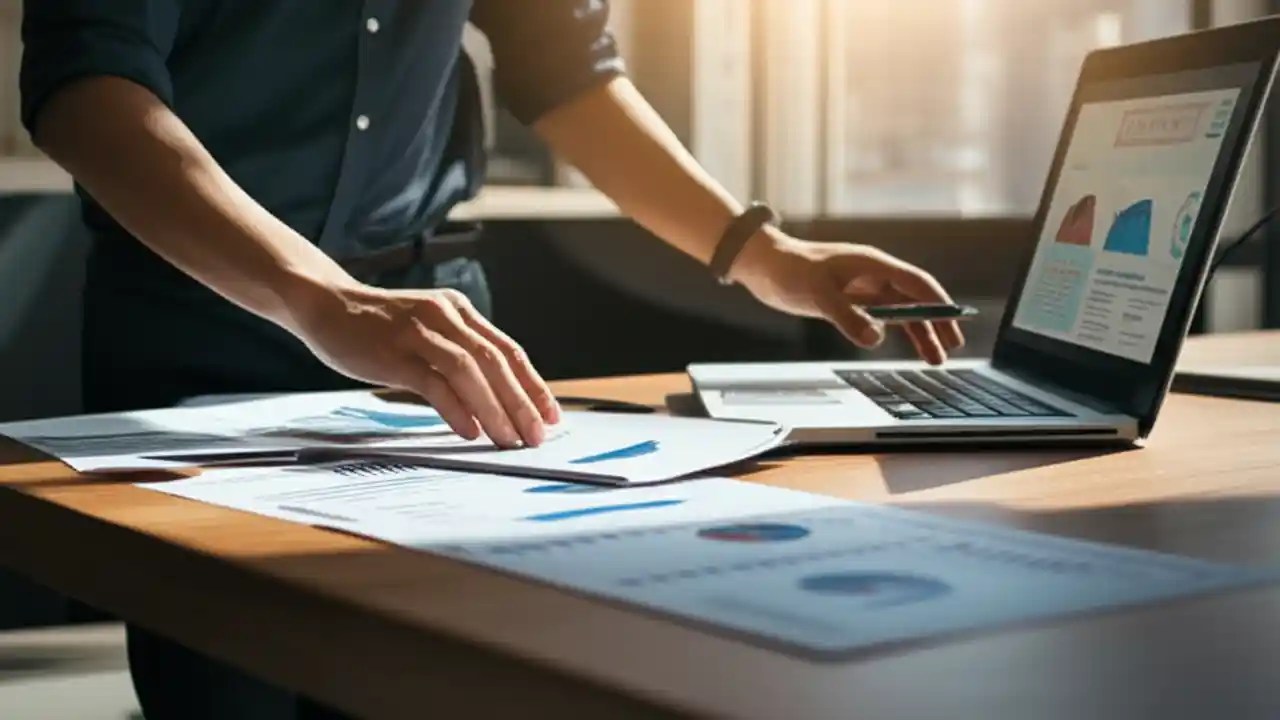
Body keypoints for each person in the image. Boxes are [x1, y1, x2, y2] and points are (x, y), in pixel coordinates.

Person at [21, 1, 965, 717]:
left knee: (436, 678)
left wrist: (767, 256)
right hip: (201, 320)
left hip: (432, 341)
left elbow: (570, 73)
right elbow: (85, 88)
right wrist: (322, 297)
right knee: (228, 689)